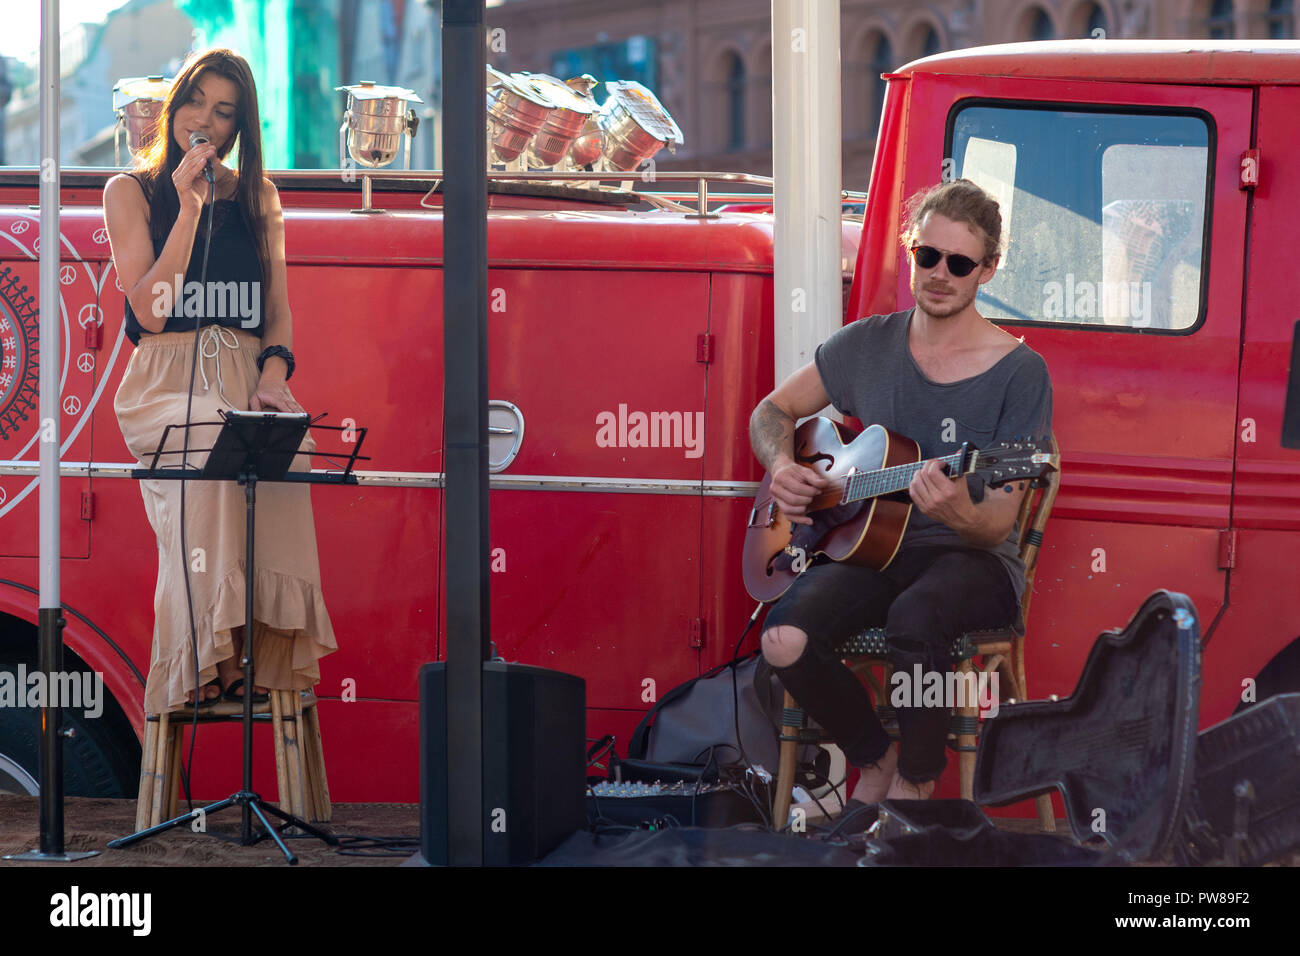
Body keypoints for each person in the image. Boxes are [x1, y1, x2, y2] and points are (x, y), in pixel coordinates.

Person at [750, 179, 1052, 805]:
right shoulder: (867, 344)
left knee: (915, 619)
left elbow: (997, 525)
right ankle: (875, 759)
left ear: (987, 270)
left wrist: (958, 511)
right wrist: (783, 465)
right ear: (911, 249)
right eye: (928, 256)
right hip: (873, 551)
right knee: (784, 638)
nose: (940, 274)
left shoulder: (1020, 372)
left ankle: (916, 786)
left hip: (972, 561)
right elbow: (772, 411)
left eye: (960, 263)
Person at [104, 48, 336, 714]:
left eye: (224, 111)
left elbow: (278, 309)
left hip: (241, 371)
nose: (204, 118)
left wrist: (272, 377)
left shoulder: (258, 195)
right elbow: (148, 308)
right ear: (176, 106)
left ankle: (259, 649)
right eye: (197, 101)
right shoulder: (131, 190)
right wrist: (186, 207)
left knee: (287, 448)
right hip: (165, 377)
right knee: (209, 439)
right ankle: (206, 655)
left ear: (238, 128)